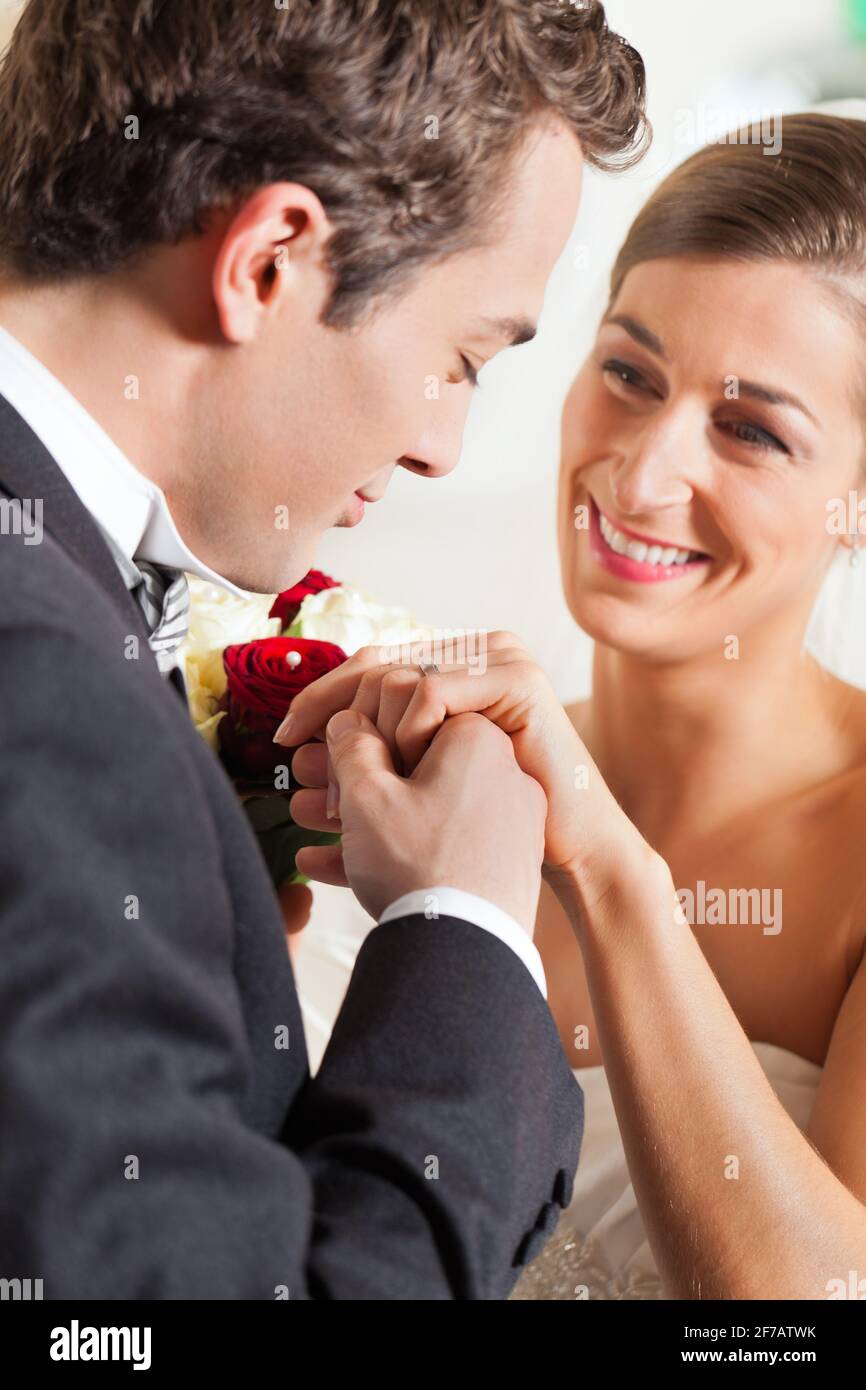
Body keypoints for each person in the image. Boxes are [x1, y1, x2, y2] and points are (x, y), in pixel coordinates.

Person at [0, 0, 648, 1298]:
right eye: (464, 357)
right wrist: (460, 921)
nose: (440, 449)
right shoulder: (48, 680)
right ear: (270, 261)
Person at [284, 109, 866, 1300]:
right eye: (626, 374)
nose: (641, 473)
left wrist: (606, 864)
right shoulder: (424, 773)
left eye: (750, 429)